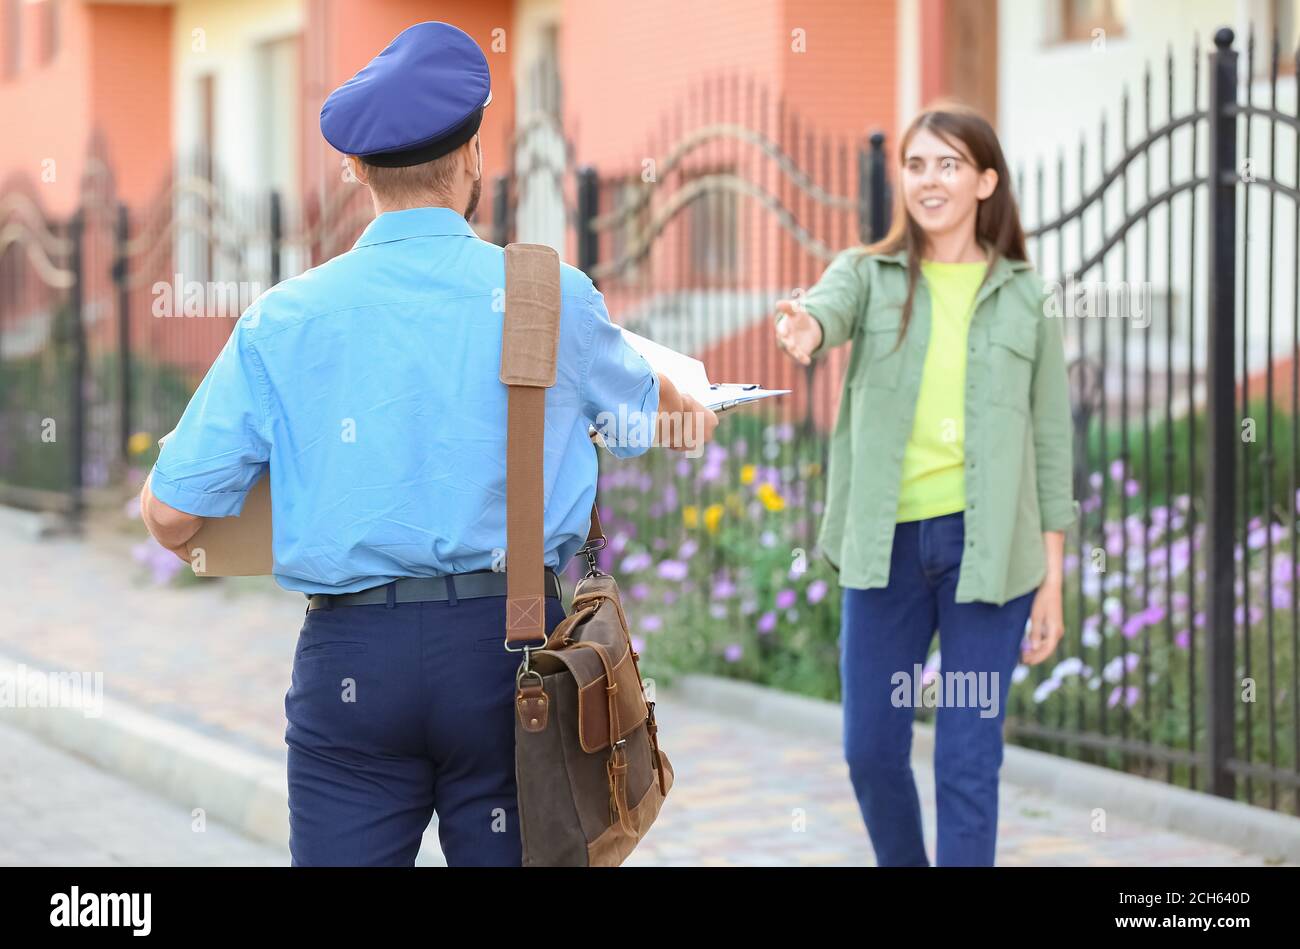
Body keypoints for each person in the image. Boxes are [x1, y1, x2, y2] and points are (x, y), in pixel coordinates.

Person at [139, 20, 715, 866]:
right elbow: (649, 422)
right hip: (517, 653)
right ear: (475, 155)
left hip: (353, 661)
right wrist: (685, 400)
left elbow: (169, 517)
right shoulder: (548, 293)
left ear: (357, 171)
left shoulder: (285, 319)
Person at [774, 103, 1079, 866]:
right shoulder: (867, 277)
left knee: (966, 761)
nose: (929, 180)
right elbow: (824, 314)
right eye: (916, 165)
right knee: (871, 750)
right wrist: (804, 328)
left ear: (984, 181)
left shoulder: (1026, 299)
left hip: (993, 557)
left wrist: (1053, 582)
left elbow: (1050, 446)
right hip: (887, 551)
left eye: (949, 164)